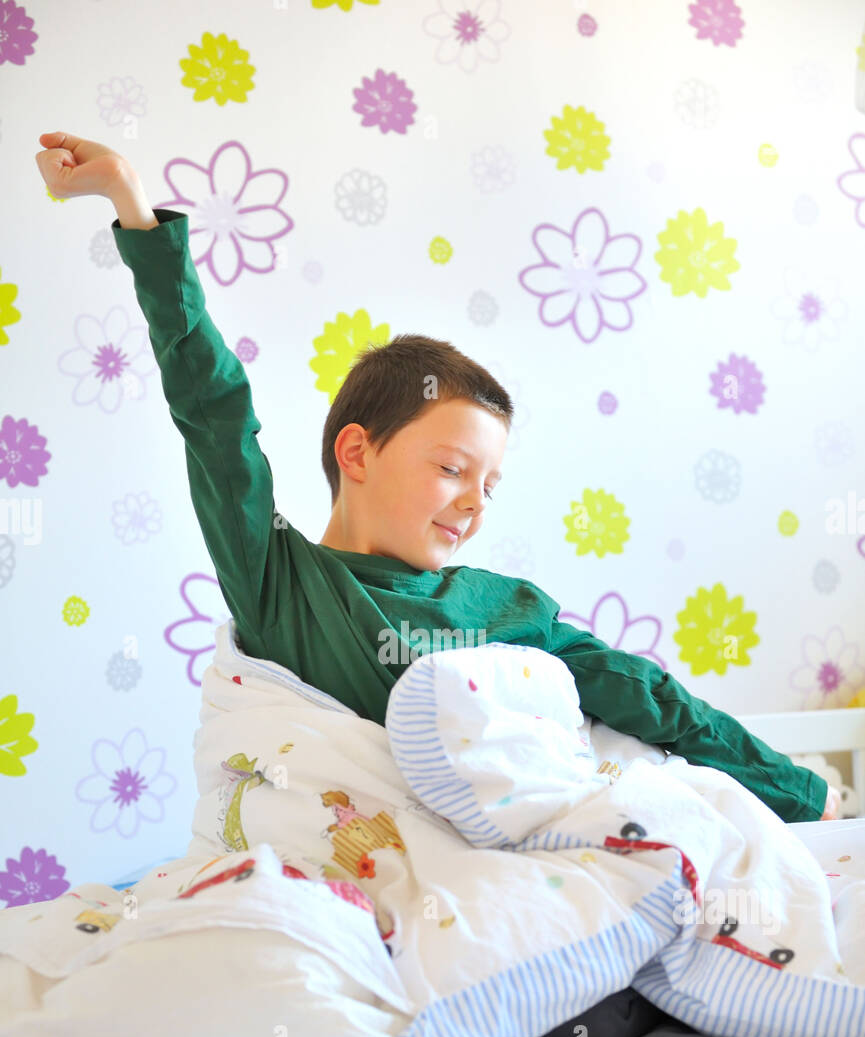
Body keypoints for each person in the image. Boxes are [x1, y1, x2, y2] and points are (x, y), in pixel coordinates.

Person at [34, 132, 841, 828]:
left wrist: (801, 794)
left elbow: (648, 698)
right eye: (452, 468)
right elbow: (214, 418)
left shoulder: (501, 608)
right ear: (356, 453)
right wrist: (133, 208)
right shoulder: (281, 581)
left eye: (488, 486)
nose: (471, 502)